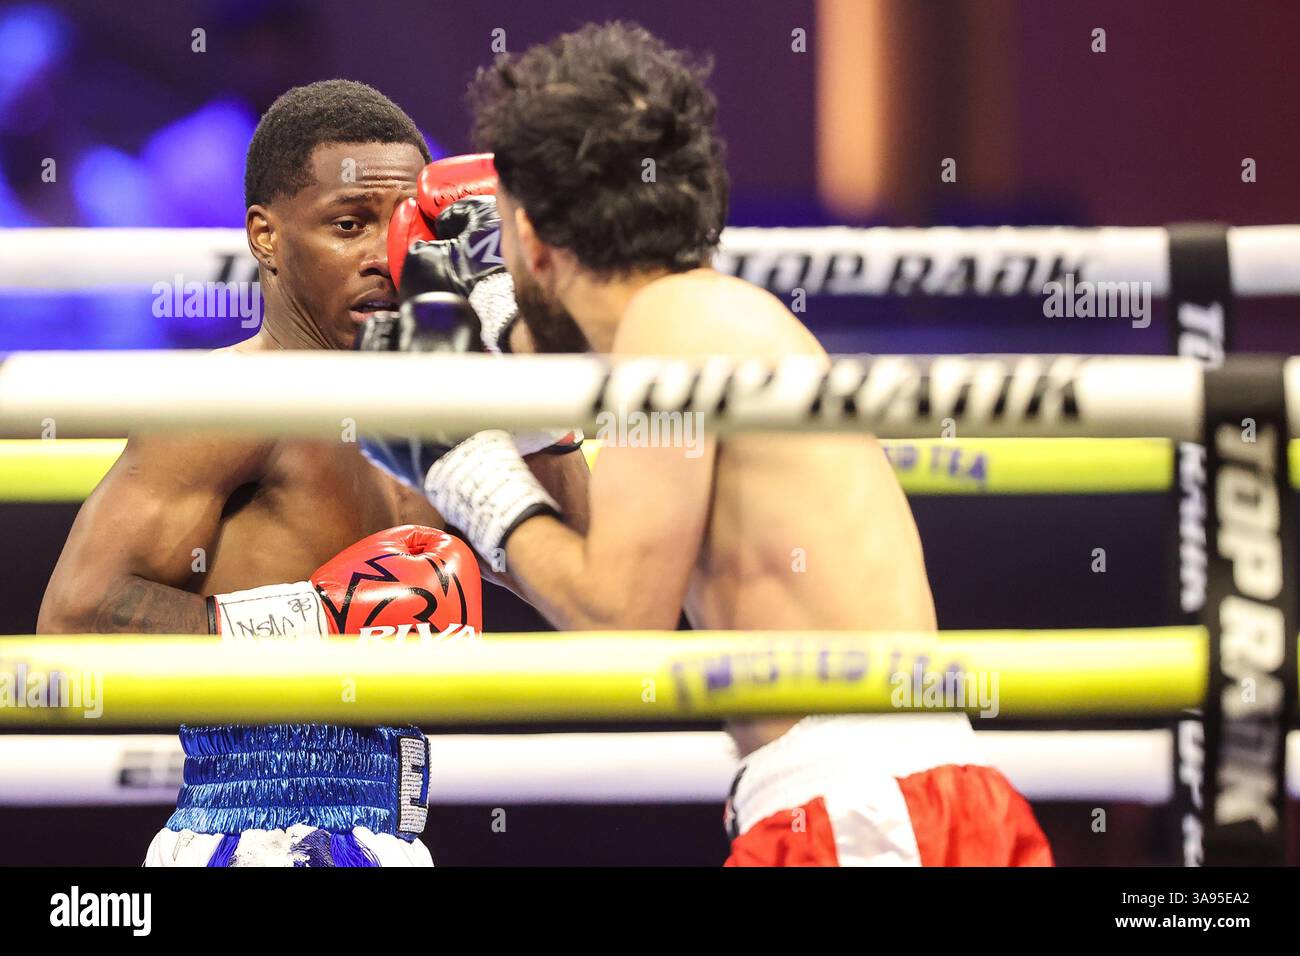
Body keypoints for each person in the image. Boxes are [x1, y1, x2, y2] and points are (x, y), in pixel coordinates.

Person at [373, 23, 1052, 866]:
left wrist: (461, 461)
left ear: (538, 241)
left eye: (507, 241)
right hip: (869, 801)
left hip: (861, 810)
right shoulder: (691, 322)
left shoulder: (674, 329)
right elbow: (591, 569)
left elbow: (619, 625)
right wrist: (491, 383)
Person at [37, 80, 586, 865]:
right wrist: (314, 628)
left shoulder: (443, 407)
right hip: (250, 834)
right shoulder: (230, 400)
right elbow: (71, 621)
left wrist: (517, 345)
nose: (382, 257)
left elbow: (594, 593)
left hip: (389, 834)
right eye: (349, 225)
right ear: (265, 236)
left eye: (405, 230)